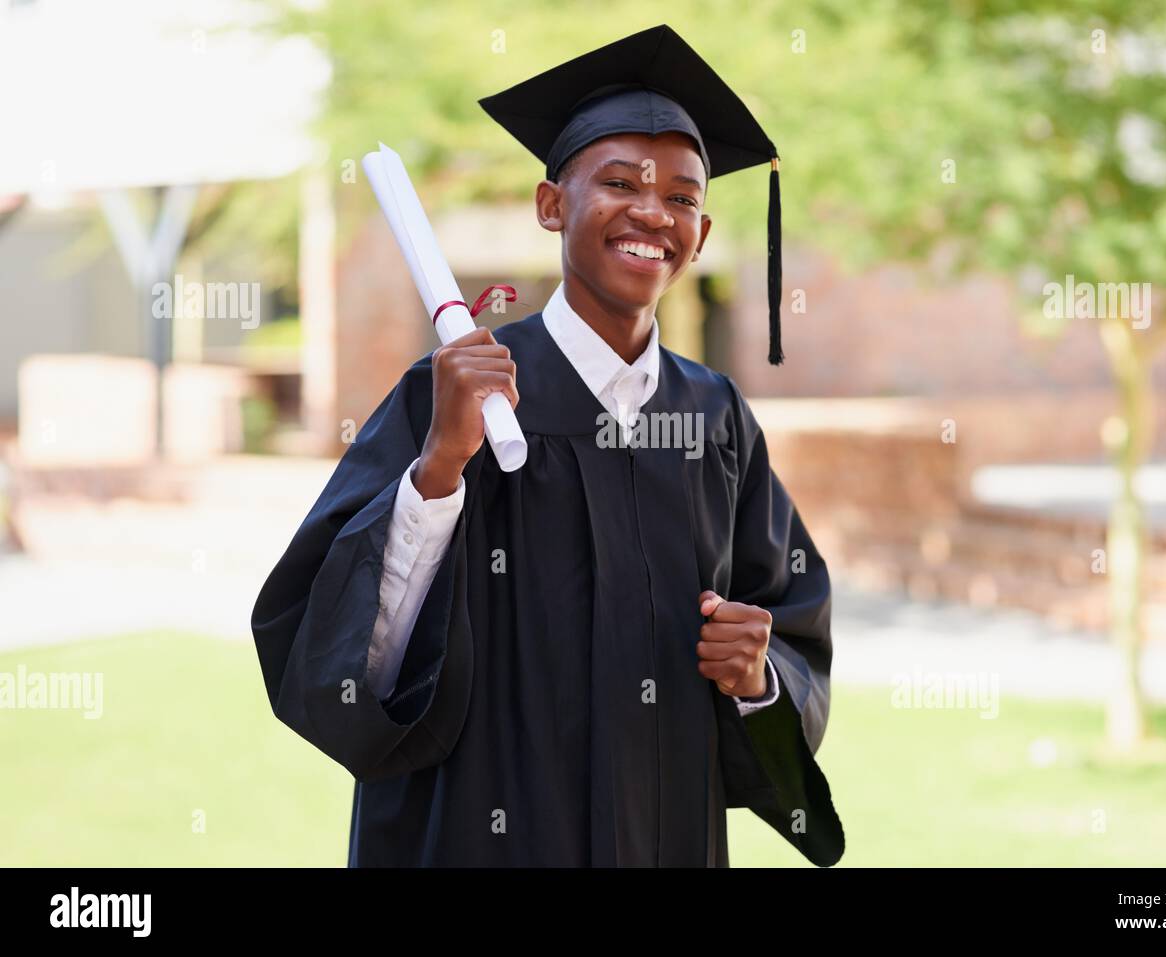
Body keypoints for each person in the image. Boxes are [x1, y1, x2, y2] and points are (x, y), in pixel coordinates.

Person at [251, 23, 843, 867]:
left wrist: (755, 674)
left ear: (702, 236)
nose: (652, 211)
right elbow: (336, 654)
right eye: (619, 182)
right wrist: (439, 469)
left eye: (682, 196)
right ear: (550, 205)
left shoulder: (715, 420)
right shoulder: (454, 391)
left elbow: (791, 626)